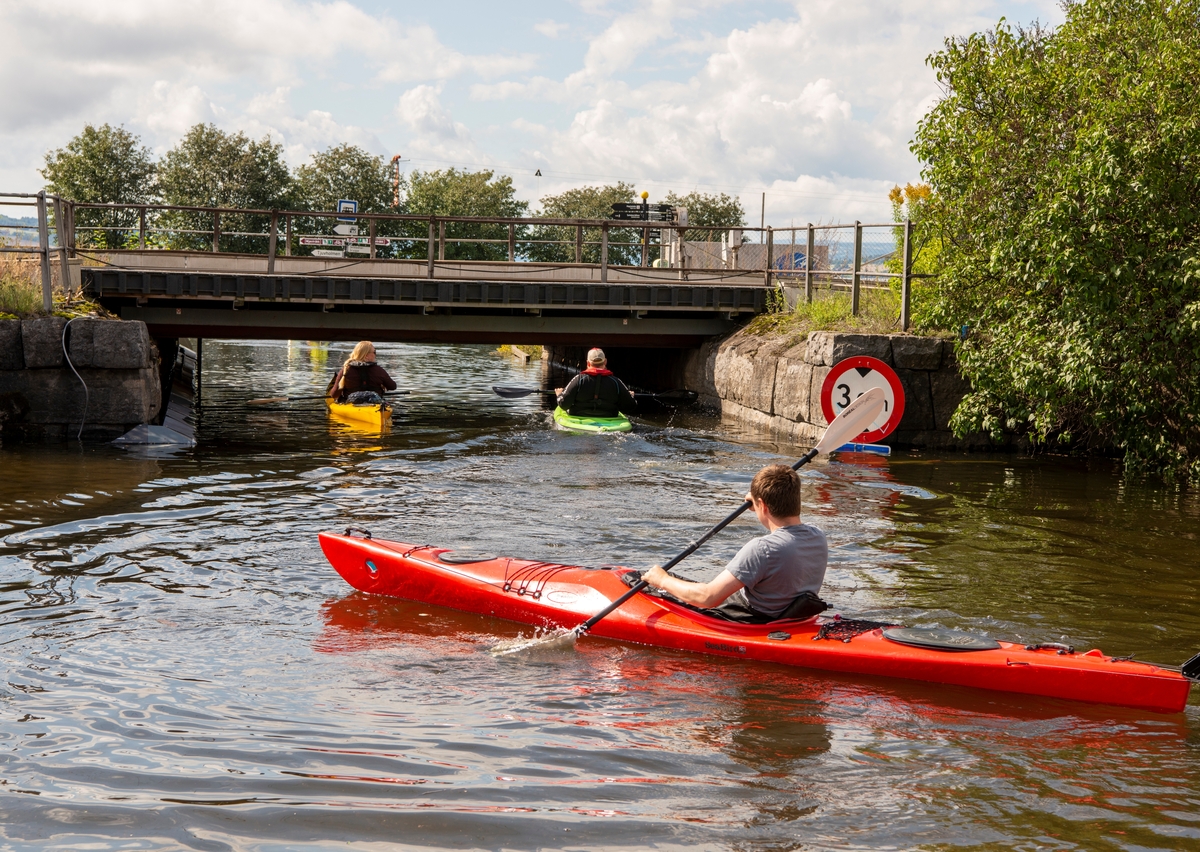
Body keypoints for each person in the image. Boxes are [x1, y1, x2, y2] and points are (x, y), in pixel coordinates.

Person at [640, 464, 829, 623]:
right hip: (793, 617)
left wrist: (662, 580)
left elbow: (708, 598)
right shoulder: (817, 535)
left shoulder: (762, 549)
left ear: (762, 506)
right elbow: (785, 533)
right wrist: (758, 502)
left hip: (753, 619)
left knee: (664, 583)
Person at [555, 348, 637, 418]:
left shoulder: (578, 379)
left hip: (579, 415)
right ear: (605, 362)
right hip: (609, 416)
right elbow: (630, 405)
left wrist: (559, 394)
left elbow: (564, 404)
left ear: (588, 363)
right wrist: (630, 396)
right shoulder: (616, 382)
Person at [327, 341, 397, 403]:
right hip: (374, 404)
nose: (375, 355)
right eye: (374, 352)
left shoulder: (346, 370)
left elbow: (334, 394)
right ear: (366, 356)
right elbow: (393, 386)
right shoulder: (379, 370)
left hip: (351, 404)